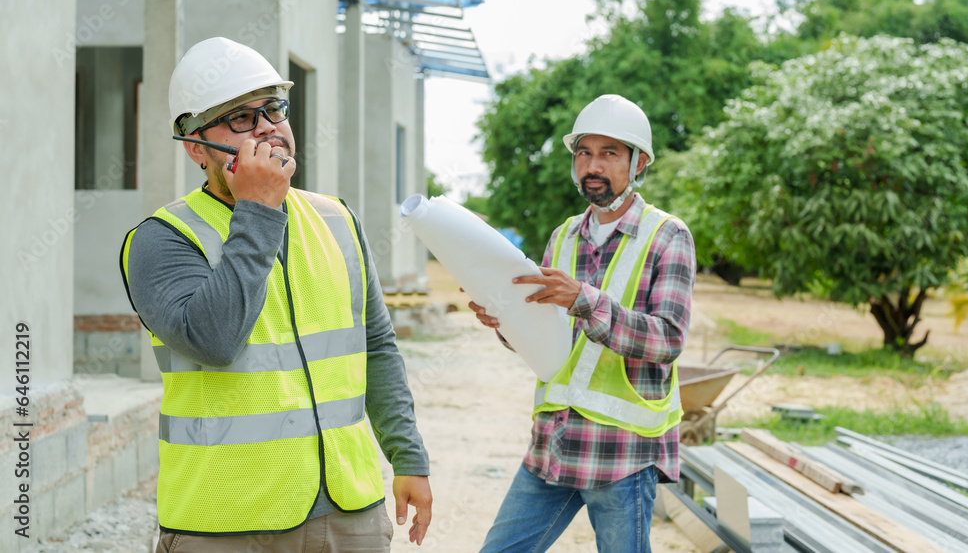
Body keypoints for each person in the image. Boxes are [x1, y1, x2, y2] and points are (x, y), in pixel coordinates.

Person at [119, 37, 431, 552]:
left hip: (349, 511)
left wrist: (408, 456)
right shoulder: (161, 239)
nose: (267, 127)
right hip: (225, 521)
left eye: (273, 108)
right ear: (197, 147)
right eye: (240, 118)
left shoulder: (336, 219)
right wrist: (259, 210)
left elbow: (377, 346)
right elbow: (215, 341)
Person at [470, 94, 695, 552]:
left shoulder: (668, 236)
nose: (593, 165)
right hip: (554, 443)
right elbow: (549, 335)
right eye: (584, 153)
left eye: (609, 153)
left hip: (622, 454)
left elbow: (668, 340)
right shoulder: (565, 235)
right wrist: (506, 320)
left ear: (639, 163)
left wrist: (586, 301)